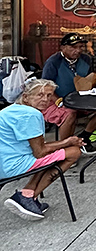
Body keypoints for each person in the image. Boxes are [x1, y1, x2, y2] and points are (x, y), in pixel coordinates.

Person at [1, 78, 83, 221]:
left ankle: (27, 192)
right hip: (10, 166)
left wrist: (61, 144)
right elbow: (40, 151)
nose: (45, 99)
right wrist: (67, 142)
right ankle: (27, 197)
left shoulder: (12, 109)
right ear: (26, 97)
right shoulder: (30, 114)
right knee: (74, 152)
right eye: (40, 95)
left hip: (6, 161)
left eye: (49, 95)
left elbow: (38, 147)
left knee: (54, 153)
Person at [41, 33, 96, 153]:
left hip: (81, 99)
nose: (77, 50)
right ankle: (66, 149)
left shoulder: (86, 59)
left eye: (80, 47)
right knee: (70, 113)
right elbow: (46, 87)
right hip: (55, 101)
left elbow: (90, 79)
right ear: (63, 47)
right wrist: (59, 101)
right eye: (73, 47)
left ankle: (84, 138)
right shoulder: (53, 62)